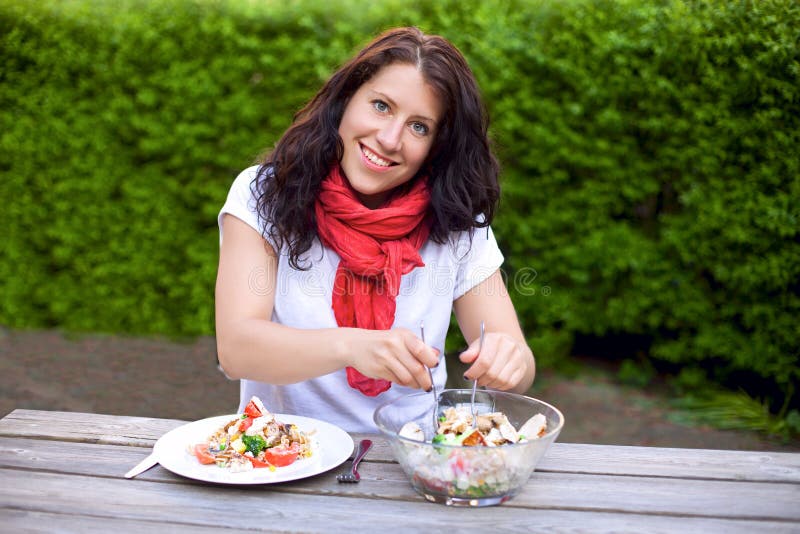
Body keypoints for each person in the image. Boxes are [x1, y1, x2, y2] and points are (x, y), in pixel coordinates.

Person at [215, 26, 535, 432]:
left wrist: (510, 360)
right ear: (346, 100)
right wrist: (352, 346)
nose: (389, 138)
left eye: (419, 126)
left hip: (411, 457)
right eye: (381, 106)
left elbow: (519, 366)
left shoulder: (456, 220)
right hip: (287, 453)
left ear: (438, 145)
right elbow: (237, 348)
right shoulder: (264, 193)